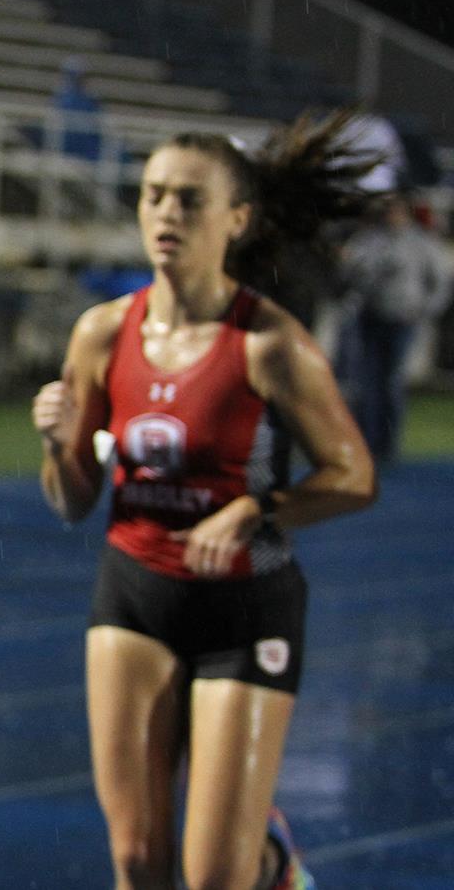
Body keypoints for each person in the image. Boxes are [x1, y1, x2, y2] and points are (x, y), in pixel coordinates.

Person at [32, 112, 378, 890]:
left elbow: (354, 474)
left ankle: (270, 858)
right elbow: (70, 504)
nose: (165, 214)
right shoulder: (101, 334)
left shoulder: (269, 344)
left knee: (216, 876)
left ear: (237, 219)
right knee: (136, 862)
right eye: (154, 195)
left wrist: (257, 511)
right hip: (134, 594)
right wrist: (58, 444)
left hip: (246, 608)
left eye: (189, 200)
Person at [337, 192, 452, 463]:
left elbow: (440, 282)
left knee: (390, 381)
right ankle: (366, 441)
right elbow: (349, 273)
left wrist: (423, 310)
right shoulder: (370, 240)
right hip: (370, 317)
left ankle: (388, 443)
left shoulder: (422, 243)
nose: (392, 216)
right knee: (366, 381)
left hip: (402, 319)